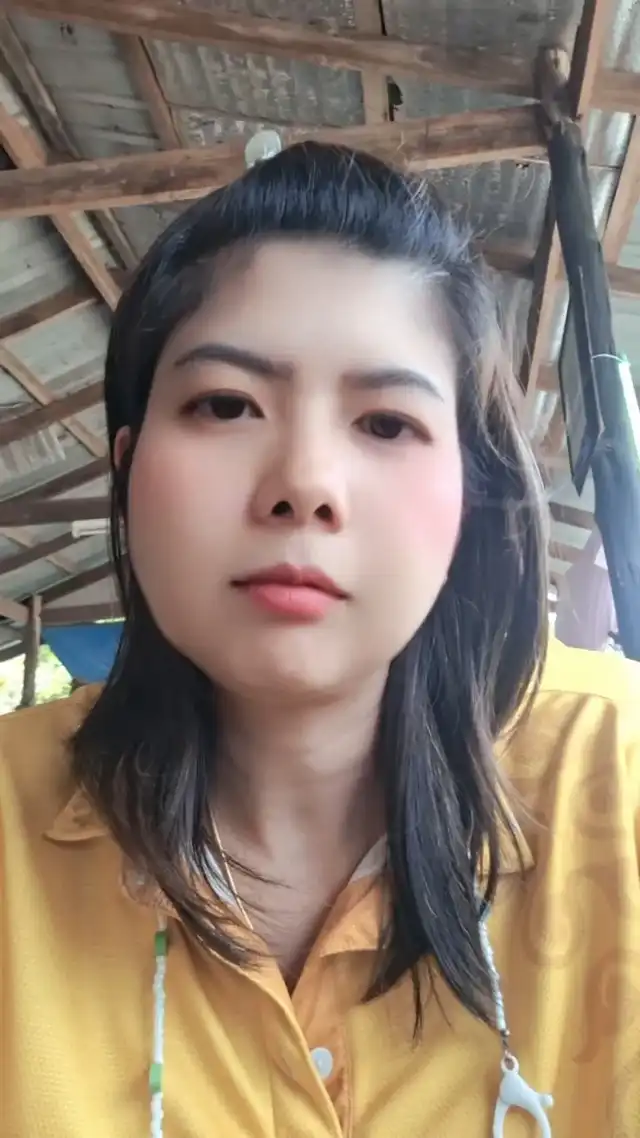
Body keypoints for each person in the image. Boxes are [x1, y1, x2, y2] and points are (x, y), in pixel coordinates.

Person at [1, 141, 638, 1138]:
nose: (304, 483)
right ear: (127, 473)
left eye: (385, 423)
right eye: (226, 405)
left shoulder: (619, 780)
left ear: (468, 496)